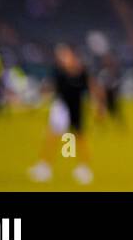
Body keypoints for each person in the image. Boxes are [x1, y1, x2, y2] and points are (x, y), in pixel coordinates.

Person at [29, 44, 100, 185]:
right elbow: (51, 88)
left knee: (79, 138)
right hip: (61, 107)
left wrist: (98, 105)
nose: (63, 59)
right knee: (52, 136)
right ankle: (44, 167)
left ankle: (83, 168)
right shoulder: (58, 72)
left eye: (65, 55)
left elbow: (92, 87)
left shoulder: (81, 71)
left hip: (76, 107)